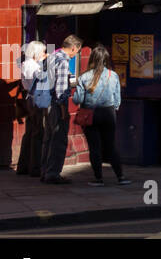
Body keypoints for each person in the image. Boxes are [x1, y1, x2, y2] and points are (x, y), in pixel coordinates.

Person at [73, 44, 129, 186]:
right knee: (110, 146)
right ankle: (121, 177)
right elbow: (117, 98)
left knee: (94, 147)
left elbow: (78, 100)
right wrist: (114, 108)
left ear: (92, 59)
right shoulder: (113, 75)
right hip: (109, 113)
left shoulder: (84, 77)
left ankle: (98, 178)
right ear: (106, 59)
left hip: (91, 115)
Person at [39, 34, 82, 184]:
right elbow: (61, 90)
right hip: (56, 106)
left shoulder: (51, 57)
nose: (75, 54)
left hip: (46, 102)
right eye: (76, 51)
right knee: (58, 140)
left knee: (48, 138)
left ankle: (44, 170)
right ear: (73, 48)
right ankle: (53, 173)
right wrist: (64, 110)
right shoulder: (63, 62)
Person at [16, 41, 47, 177]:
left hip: (28, 98)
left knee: (29, 132)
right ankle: (35, 167)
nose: (44, 54)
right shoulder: (35, 66)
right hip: (36, 98)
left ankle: (23, 165)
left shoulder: (24, 64)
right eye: (42, 52)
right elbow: (42, 80)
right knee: (38, 133)